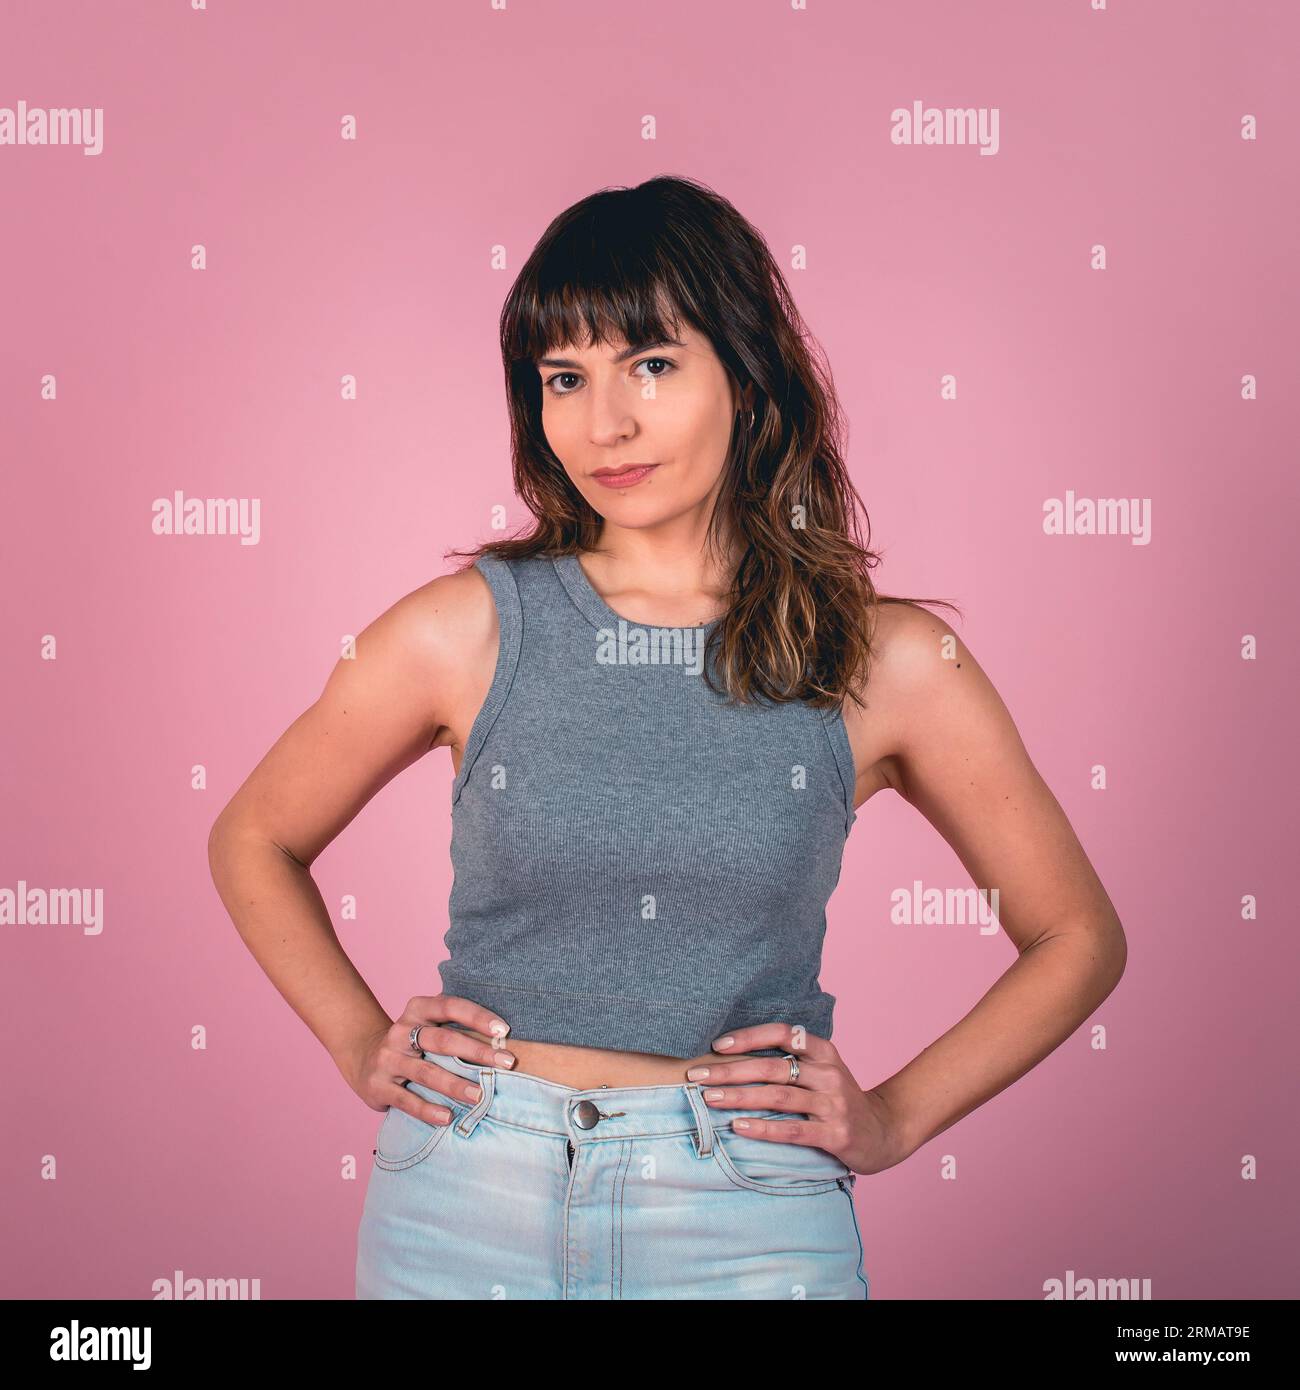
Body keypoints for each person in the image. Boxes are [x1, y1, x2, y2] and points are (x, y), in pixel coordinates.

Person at [207, 174, 1127, 1300]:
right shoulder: (466, 630)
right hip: (466, 1200)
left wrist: (890, 1117)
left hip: (743, 1215)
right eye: (564, 378)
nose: (606, 424)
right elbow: (253, 834)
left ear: (745, 372)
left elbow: (1075, 932)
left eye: (651, 364)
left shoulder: (883, 660)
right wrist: (358, 1041)